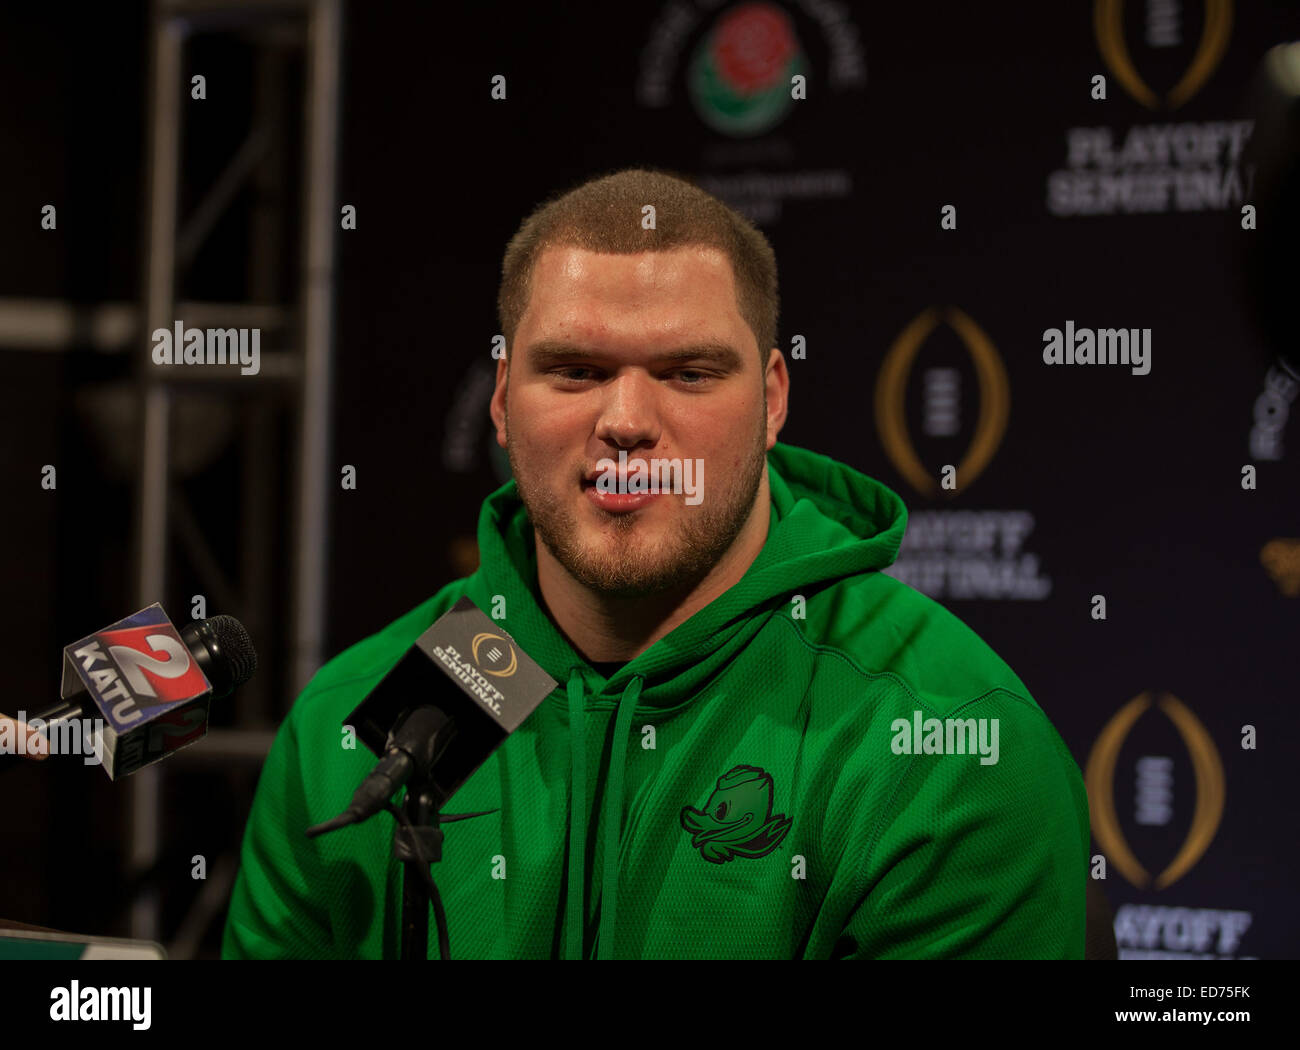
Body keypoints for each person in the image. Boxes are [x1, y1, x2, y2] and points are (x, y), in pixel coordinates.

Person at [222, 168, 1090, 960]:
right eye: (574, 370)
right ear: (498, 401)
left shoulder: (948, 743)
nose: (627, 419)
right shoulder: (349, 728)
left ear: (773, 400)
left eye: (687, 372)